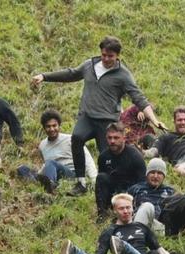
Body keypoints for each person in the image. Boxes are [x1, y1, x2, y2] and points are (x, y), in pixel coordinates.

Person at [31, 36, 166, 196]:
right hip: (87, 117)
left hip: (107, 122)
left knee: (106, 156)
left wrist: (154, 120)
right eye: (104, 55)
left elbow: (139, 98)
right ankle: (81, 183)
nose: (106, 59)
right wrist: (44, 76)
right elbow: (71, 74)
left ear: (117, 56)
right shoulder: (90, 65)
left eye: (110, 56)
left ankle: (112, 189)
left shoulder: (123, 75)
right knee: (77, 138)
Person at [19, 109, 97, 194]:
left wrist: (94, 180)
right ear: (44, 128)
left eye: (54, 125)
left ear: (59, 125)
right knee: (22, 169)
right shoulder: (42, 145)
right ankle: (41, 183)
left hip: (71, 174)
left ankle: (50, 186)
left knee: (51, 163)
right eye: (48, 126)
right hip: (53, 173)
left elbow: (88, 159)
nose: (52, 129)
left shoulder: (71, 140)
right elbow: (46, 165)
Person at [96, 123, 146, 217]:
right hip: (113, 193)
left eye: (116, 138)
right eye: (109, 138)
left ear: (124, 138)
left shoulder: (135, 156)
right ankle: (102, 214)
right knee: (101, 177)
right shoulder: (103, 157)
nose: (112, 141)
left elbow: (143, 184)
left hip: (131, 194)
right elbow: (101, 184)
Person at [127, 158, 175, 233]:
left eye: (159, 173)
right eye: (152, 172)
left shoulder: (171, 192)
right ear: (147, 174)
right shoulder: (136, 189)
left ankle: (135, 236)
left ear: (164, 176)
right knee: (147, 206)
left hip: (158, 227)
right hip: (136, 221)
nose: (155, 176)